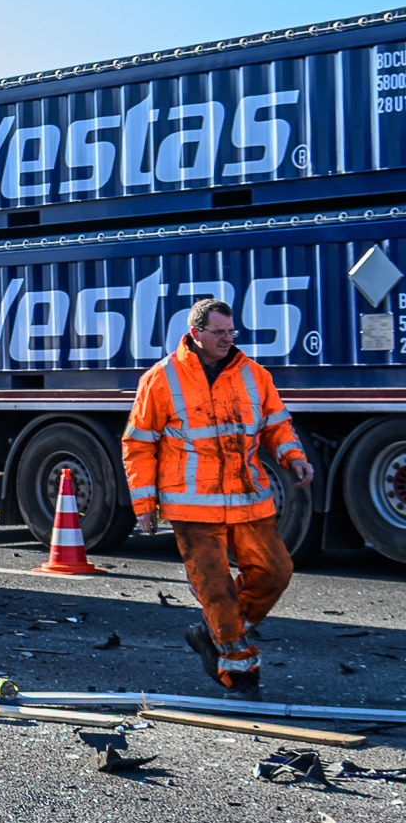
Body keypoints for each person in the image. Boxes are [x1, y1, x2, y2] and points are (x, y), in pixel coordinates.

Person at [123, 298, 313, 700]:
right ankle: (241, 677)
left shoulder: (254, 374)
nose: (229, 339)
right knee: (217, 593)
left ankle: (211, 633)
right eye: (220, 332)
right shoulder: (161, 379)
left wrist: (293, 456)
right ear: (196, 334)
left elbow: (276, 424)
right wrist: (144, 505)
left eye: (232, 332)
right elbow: (139, 444)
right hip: (192, 506)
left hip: (249, 499)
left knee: (276, 572)